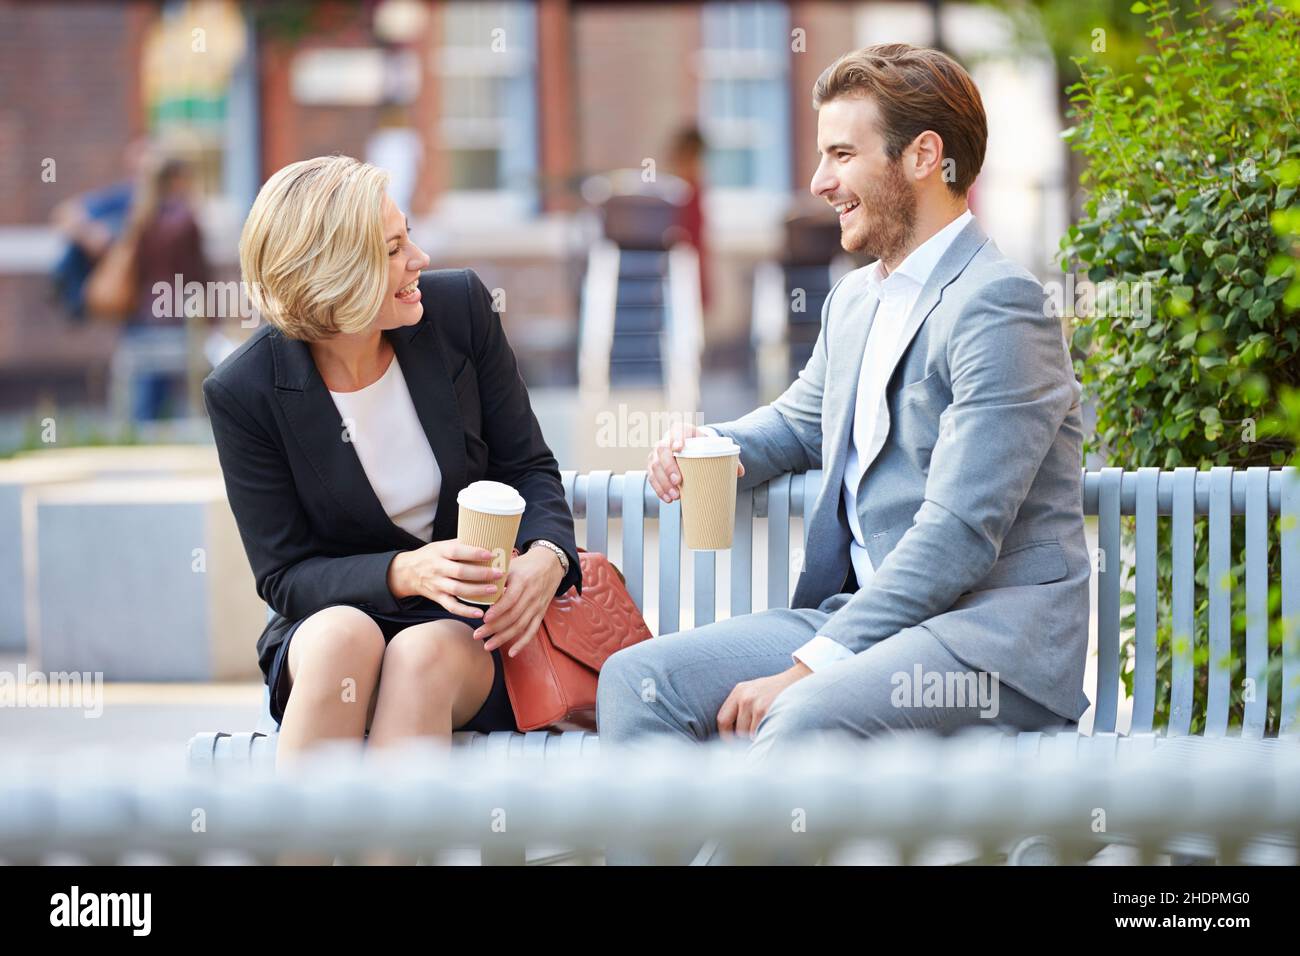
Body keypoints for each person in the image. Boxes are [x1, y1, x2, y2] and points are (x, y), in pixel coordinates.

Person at [598, 43, 1089, 806]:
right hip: (866, 624)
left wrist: (808, 666)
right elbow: (801, 424)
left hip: (988, 648)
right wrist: (717, 445)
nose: (821, 182)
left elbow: (959, 531)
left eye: (840, 154)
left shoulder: (1000, 306)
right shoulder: (856, 299)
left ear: (924, 156)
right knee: (640, 680)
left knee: (801, 719)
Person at [203, 156, 581, 776]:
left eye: (409, 235)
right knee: (341, 642)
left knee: (418, 657)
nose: (420, 260)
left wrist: (547, 556)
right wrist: (405, 571)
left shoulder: (457, 311)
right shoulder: (246, 391)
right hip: (336, 621)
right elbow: (286, 575)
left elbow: (529, 467)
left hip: (466, 632)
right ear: (334, 277)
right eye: (394, 249)